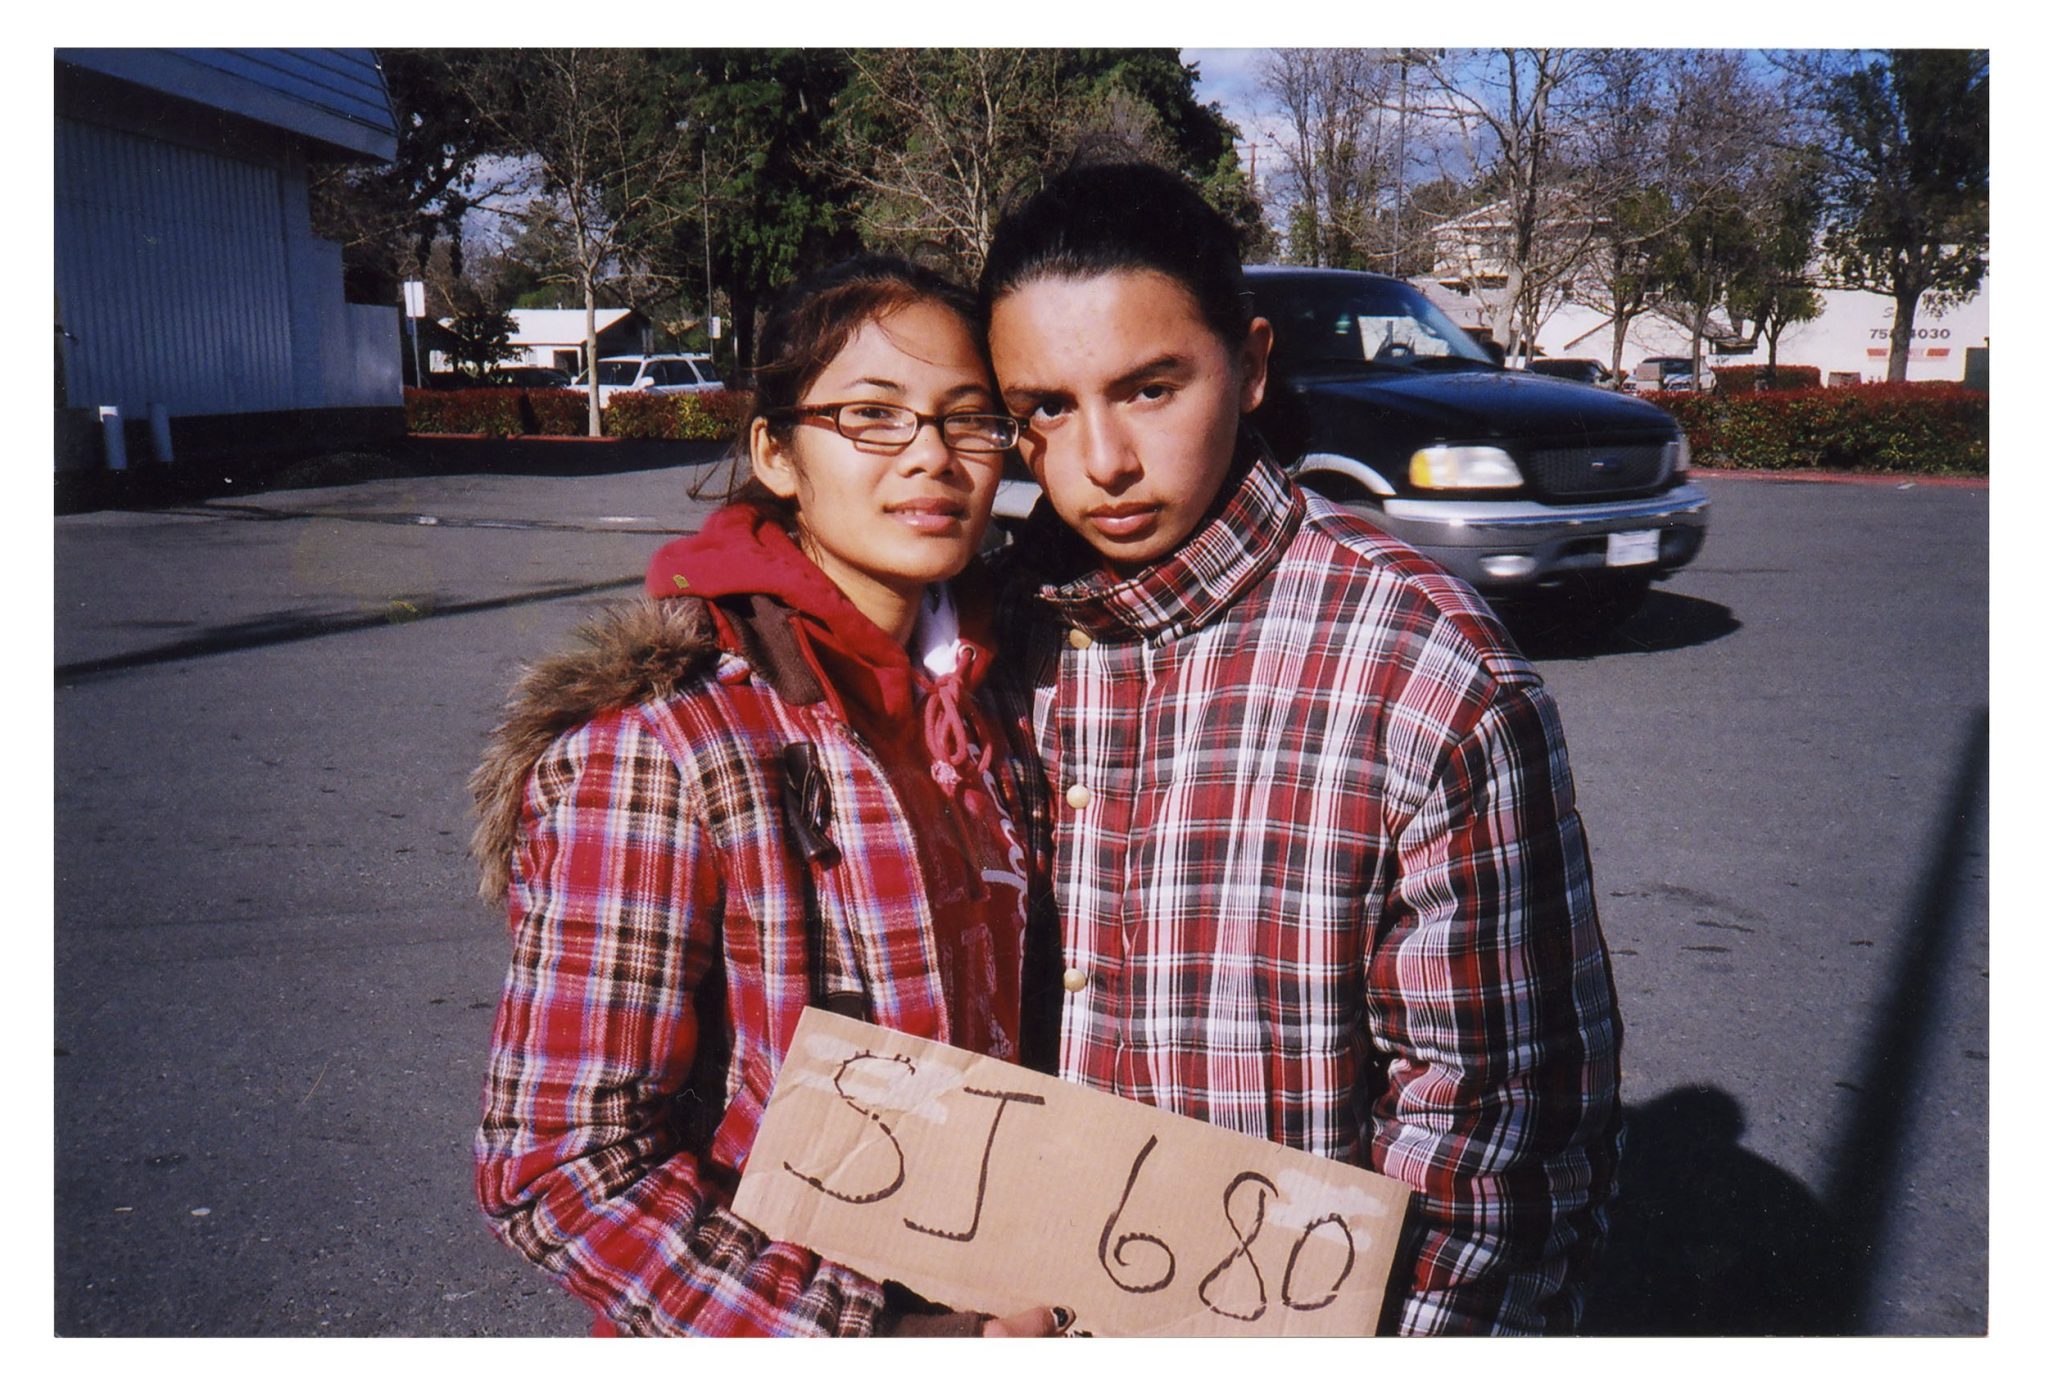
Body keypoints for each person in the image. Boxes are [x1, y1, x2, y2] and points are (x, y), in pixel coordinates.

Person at [978, 163, 1623, 1335]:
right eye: (1046, 407)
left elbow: (1497, 1140)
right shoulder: (980, 633)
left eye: (1150, 388)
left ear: (1253, 363)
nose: (1102, 461)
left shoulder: (1424, 669)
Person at [470, 255, 1061, 1338]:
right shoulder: (664, 750)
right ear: (776, 454)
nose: (928, 456)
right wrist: (876, 1343)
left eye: (968, 419)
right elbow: (560, 1167)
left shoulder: (1000, 700)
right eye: (871, 416)